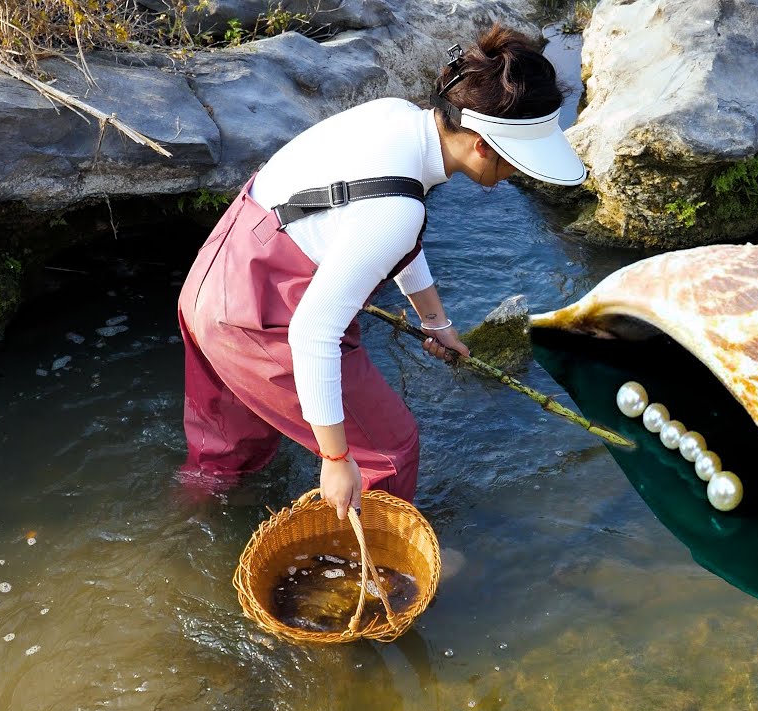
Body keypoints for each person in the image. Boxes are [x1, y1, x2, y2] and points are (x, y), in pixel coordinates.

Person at [176, 23, 587, 519]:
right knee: (390, 451)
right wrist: (336, 457)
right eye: (516, 164)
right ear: (482, 145)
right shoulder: (398, 211)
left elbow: (378, 233)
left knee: (225, 457)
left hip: (211, 284)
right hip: (261, 322)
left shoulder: (395, 116)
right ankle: (375, 578)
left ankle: (186, 521)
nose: (515, 176)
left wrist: (435, 321)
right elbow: (312, 331)